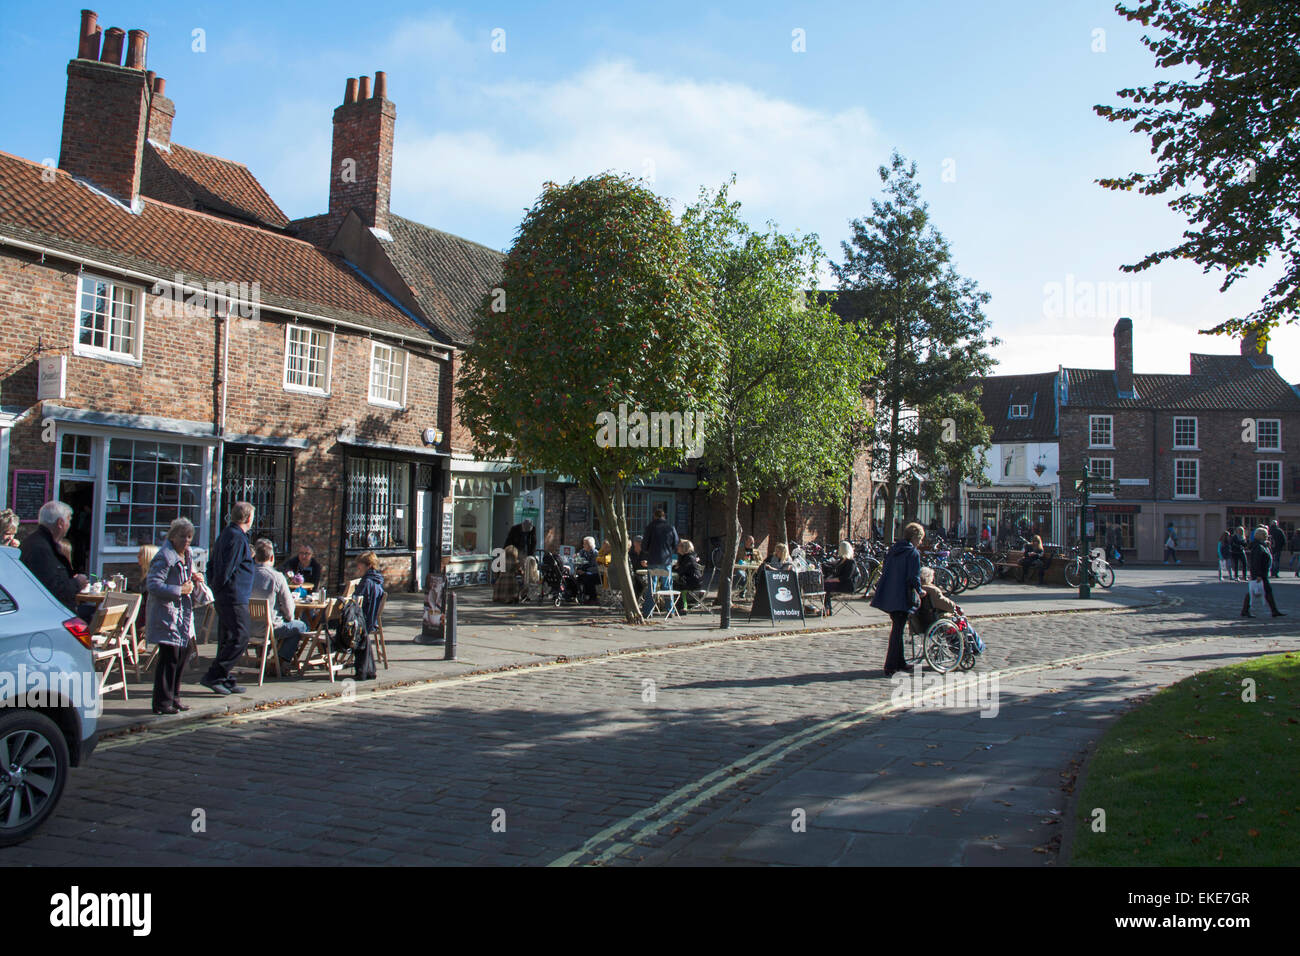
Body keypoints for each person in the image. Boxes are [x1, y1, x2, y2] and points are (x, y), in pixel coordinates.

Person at [145, 518, 205, 715]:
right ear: (172, 536)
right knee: (169, 657)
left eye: (189, 537)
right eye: (182, 536)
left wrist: (195, 578)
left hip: (182, 615)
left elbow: (186, 580)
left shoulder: (187, 555)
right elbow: (153, 585)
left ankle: (175, 697)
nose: (186, 540)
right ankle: (162, 703)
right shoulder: (164, 557)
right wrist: (179, 590)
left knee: (184, 653)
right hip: (167, 614)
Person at [201, 501, 255, 696]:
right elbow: (226, 568)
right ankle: (215, 675)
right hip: (233, 596)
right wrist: (219, 589)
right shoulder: (237, 538)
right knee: (241, 636)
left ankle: (225, 678)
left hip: (227, 595)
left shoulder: (226, 534)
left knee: (228, 638)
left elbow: (212, 565)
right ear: (248, 518)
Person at [871, 522, 925, 677]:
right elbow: (913, 577)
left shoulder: (894, 550)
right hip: (902, 596)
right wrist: (920, 592)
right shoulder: (913, 553)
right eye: (920, 539)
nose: (920, 543)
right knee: (897, 631)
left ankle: (900, 661)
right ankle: (890, 665)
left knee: (898, 628)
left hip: (889, 594)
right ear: (915, 538)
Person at [20, 501, 89, 616]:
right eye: (69, 520)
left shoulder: (36, 542)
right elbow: (52, 589)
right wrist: (77, 583)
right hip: (45, 616)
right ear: (60, 523)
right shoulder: (41, 549)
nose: (69, 525)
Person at [251, 538, 307, 668]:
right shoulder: (277, 577)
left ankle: (261, 656)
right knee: (299, 627)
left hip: (246, 627)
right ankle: (280, 662)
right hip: (269, 628)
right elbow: (289, 609)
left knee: (279, 622)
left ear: (255, 558)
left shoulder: (246, 574)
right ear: (271, 558)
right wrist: (290, 617)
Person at [352, 551, 386, 680]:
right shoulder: (376, 579)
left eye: (359, 565)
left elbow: (355, 603)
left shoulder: (367, 582)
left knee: (326, 623)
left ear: (368, 565)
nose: (357, 568)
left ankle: (328, 652)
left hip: (363, 621)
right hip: (371, 620)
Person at [640, 508, 679, 618]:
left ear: (654, 516)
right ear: (664, 516)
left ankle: (648, 611)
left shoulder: (650, 527)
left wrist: (650, 551)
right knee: (667, 586)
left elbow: (644, 545)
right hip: (666, 561)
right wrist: (669, 551)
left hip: (652, 560)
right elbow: (676, 543)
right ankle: (670, 610)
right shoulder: (670, 527)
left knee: (651, 587)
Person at [1242, 526, 1284, 618]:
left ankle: (1274, 610)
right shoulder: (1258, 546)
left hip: (1262, 573)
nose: (1267, 536)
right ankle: (1245, 610)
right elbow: (1256, 562)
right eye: (1265, 535)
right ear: (1261, 536)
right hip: (1259, 573)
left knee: (1264, 591)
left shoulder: (1261, 545)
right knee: (1255, 591)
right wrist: (1258, 575)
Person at [823, 541, 857, 616]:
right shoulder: (842, 560)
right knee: (824, 584)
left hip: (847, 585)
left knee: (826, 586)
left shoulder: (851, 562)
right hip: (841, 583)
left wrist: (831, 580)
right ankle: (827, 608)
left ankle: (827, 609)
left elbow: (846, 577)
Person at [674, 539, 705, 607]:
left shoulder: (688, 558)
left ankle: (680, 605)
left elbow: (681, 570)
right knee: (675, 583)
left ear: (683, 548)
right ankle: (680, 605)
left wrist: (675, 568)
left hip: (693, 582)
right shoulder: (686, 557)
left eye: (679, 546)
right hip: (692, 579)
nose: (677, 547)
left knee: (673, 584)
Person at [574, 536, 601, 604]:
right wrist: (577, 566)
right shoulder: (582, 552)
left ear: (590, 545)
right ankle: (573, 595)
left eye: (585, 544)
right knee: (572, 578)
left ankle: (593, 598)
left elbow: (596, 567)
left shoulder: (596, 553)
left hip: (595, 574)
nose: (583, 545)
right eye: (583, 543)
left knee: (588, 577)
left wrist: (585, 571)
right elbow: (578, 563)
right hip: (583, 572)